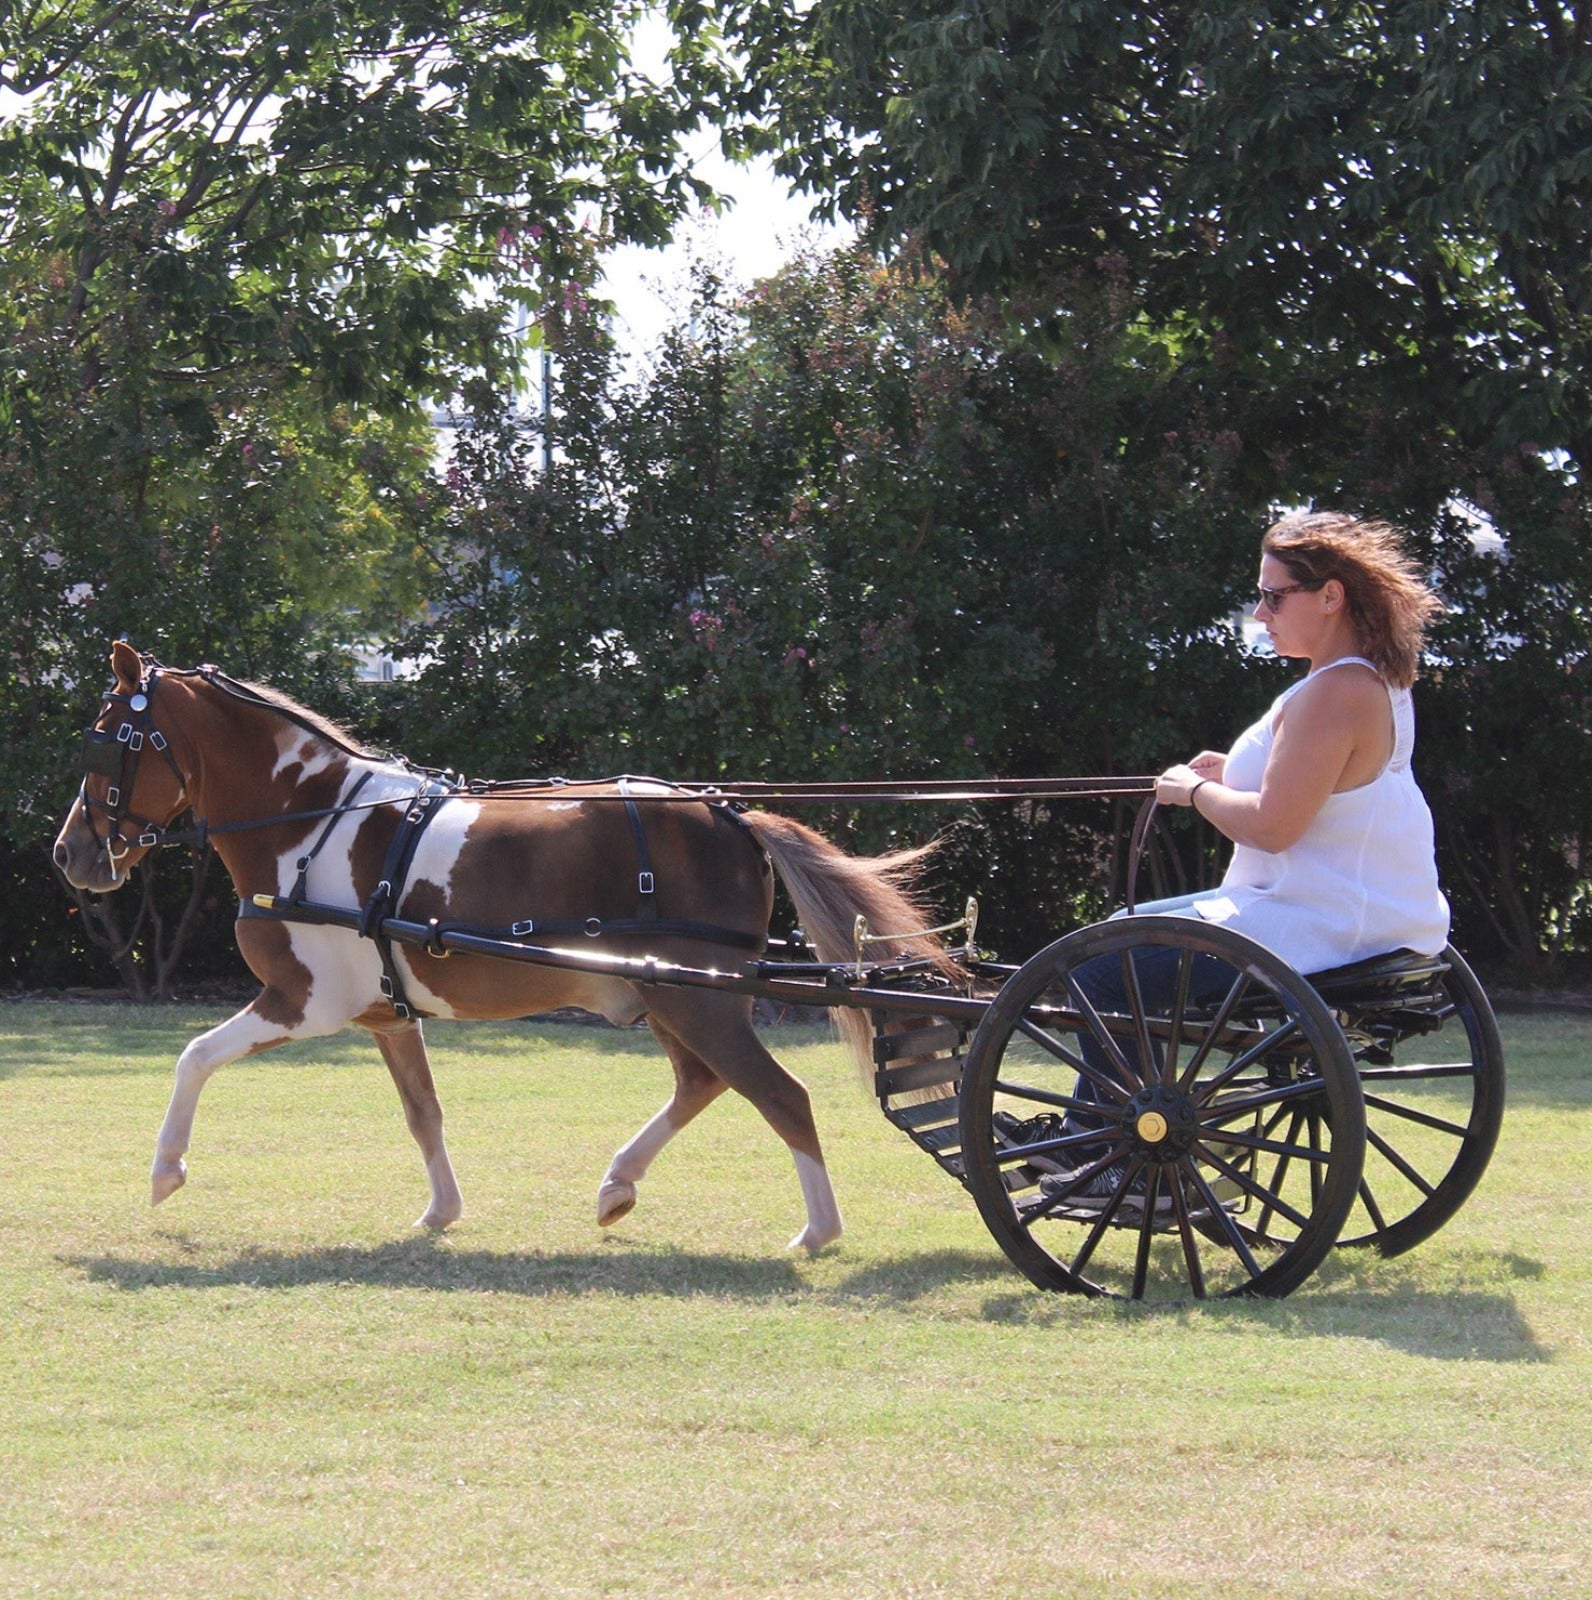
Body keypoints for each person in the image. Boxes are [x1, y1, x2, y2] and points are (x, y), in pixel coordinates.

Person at [1000, 510, 1451, 1207]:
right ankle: (1092, 1135)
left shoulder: (1335, 690)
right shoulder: (1365, 680)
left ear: (1330, 596)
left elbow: (1274, 825)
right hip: (1336, 911)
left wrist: (1198, 790)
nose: (1261, 612)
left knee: (1098, 968)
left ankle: (1113, 1155)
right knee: (1110, 943)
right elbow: (1312, 788)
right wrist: (1228, 774)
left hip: (1313, 921)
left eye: (1275, 596)